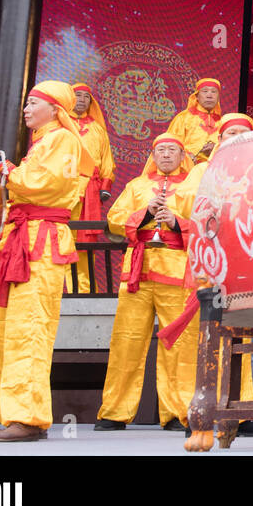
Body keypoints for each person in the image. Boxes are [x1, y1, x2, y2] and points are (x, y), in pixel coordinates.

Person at [0, 81, 95, 441]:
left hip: (42, 239)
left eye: (33, 102)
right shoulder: (44, 142)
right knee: (17, 328)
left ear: (54, 108)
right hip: (29, 235)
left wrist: (9, 172)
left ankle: (29, 417)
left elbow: (41, 184)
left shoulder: (61, 140)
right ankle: (19, 414)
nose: (26, 109)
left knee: (31, 327)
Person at [95, 134, 199, 432]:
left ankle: (178, 412)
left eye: (172, 150)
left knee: (178, 344)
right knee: (126, 341)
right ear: (152, 154)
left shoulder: (194, 186)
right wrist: (146, 213)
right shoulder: (136, 186)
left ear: (183, 155)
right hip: (137, 272)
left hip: (176, 269)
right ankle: (114, 412)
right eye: (160, 150)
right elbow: (114, 219)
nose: (166, 155)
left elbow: (207, 222)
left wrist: (177, 222)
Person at [178, 112, 253, 436]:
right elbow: (185, 201)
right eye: (229, 133)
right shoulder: (204, 169)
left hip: (245, 259)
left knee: (241, 334)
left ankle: (241, 410)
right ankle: (199, 410)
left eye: (242, 133)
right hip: (212, 260)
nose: (235, 137)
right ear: (219, 139)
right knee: (203, 336)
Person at [67, 82, 116, 292]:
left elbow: (107, 160)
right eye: (77, 96)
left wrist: (105, 184)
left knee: (86, 237)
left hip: (90, 189)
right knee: (62, 235)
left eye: (86, 97)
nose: (81, 100)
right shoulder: (61, 126)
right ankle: (63, 287)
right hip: (64, 187)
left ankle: (84, 288)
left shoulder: (98, 129)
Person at [166, 77, 222, 162]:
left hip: (216, 168)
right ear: (197, 96)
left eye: (214, 92)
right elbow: (170, 145)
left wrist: (216, 148)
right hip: (188, 167)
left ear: (218, 97)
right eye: (205, 91)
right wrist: (186, 156)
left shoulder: (223, 122)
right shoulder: (183, 118)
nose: (209, 95)